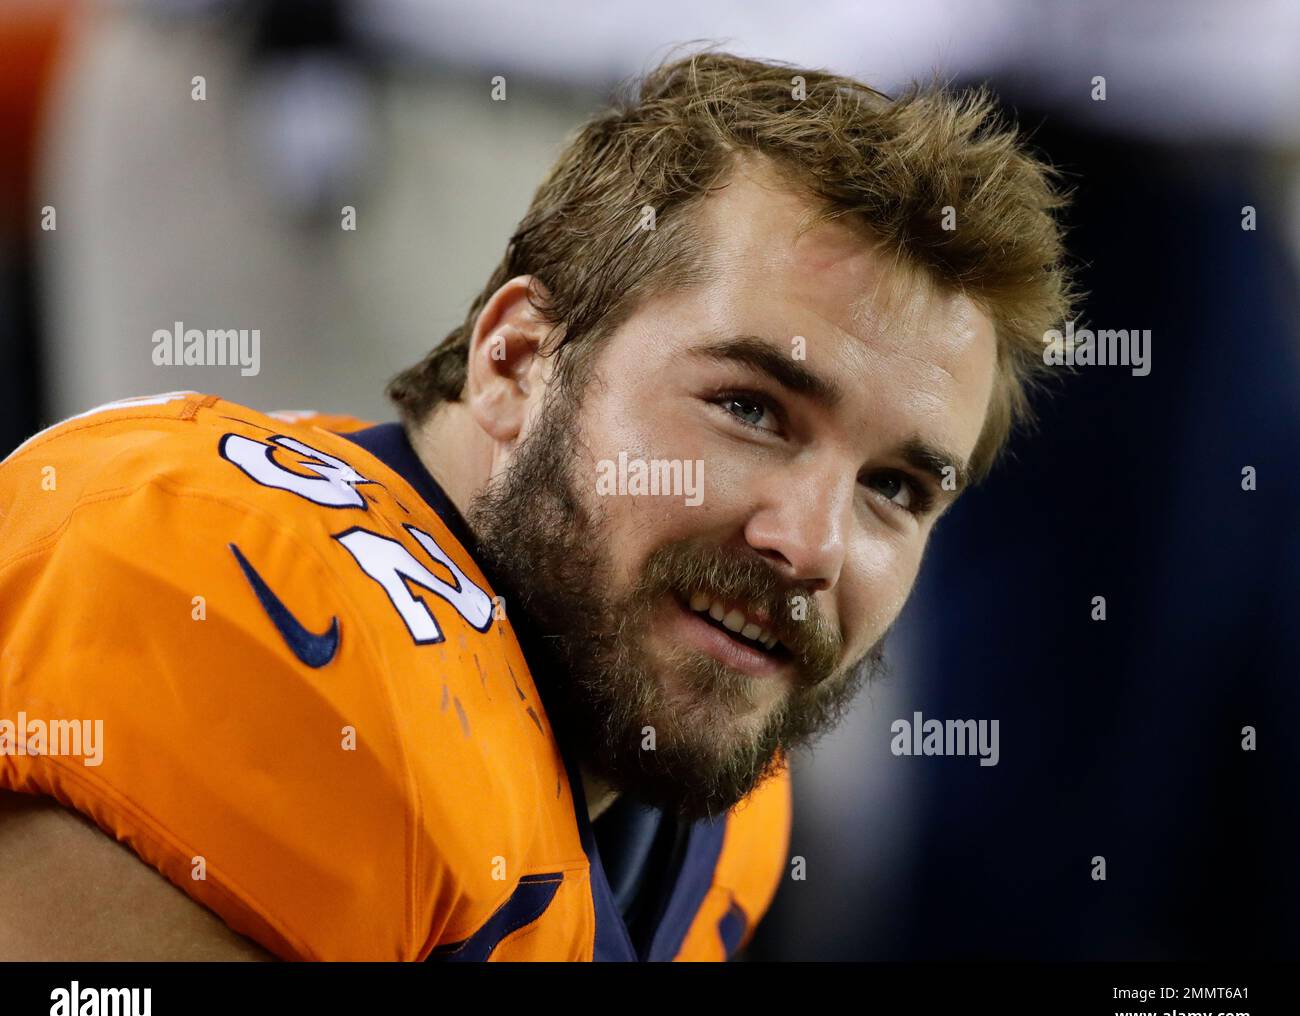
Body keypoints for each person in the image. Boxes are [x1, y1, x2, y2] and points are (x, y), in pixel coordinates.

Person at [0, 50, 1073, 961]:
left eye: (893, 486)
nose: (807, 545)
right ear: (515, 360)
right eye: (749, 407)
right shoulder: (246, 618)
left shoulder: (712, 778)